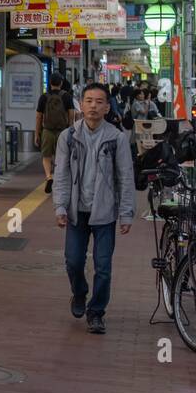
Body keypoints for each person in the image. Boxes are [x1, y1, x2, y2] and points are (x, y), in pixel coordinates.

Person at [53, 83, 134, 334]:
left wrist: (126, 213)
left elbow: (125, 176)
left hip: (105, 213)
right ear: (81, 104)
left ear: (107, 107)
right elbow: (61, 174)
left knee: (104, 267)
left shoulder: (116, 138)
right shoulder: (68, 136)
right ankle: (79, 293)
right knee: (73, 262)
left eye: (99, 102)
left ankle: (96, 312)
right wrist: (60, 206)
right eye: (89, 100)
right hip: (77, 212)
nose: (93, 106)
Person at [36, 73, 76, 194]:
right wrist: (70, 127)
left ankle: (49, 177)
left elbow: (38, 116)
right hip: (62, 131)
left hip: (47, 130)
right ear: (61, 83)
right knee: (62, 156)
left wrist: (37, 133)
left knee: (46, 156)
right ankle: (59, 179)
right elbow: (72, 113)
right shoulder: (67, 96)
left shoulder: (44, 97)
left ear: (50, 83)